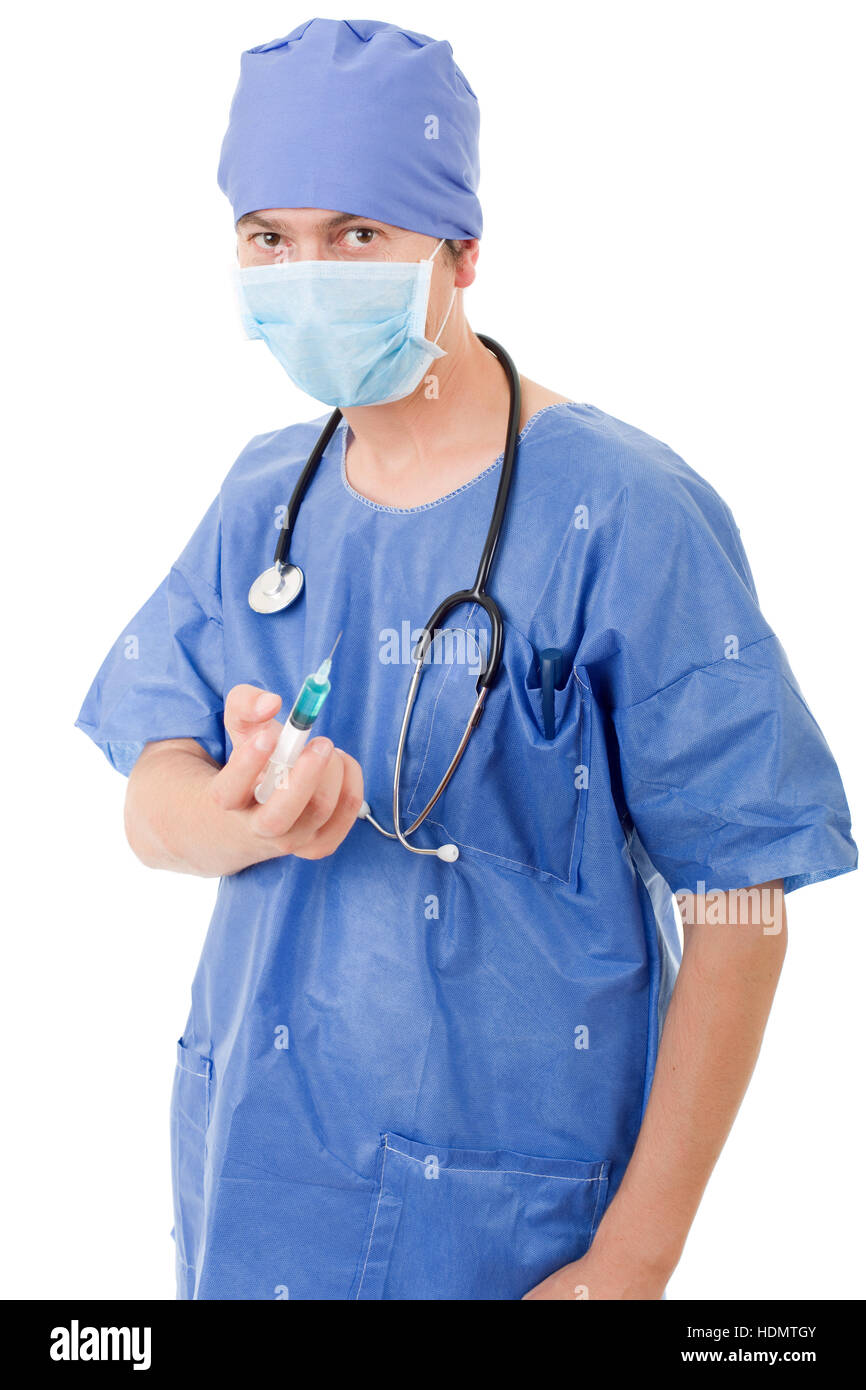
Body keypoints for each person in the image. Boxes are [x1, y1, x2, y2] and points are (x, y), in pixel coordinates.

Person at [76, 18, 856, 1301]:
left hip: (512, 1224)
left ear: (463, 251)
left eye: (358, 235)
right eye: (269, 237)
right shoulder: (265, 496)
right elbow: (152, 797)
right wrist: (237, 816)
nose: (306, 273)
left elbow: (741, 904)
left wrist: (632, 1261)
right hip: (255, 1186)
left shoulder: (626, 513)